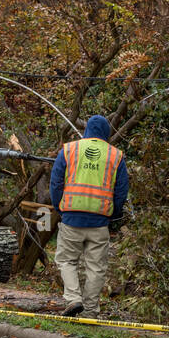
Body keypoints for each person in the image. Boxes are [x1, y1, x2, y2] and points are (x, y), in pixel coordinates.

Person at [50, 114, 129, 318]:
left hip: (71, 219)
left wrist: (61, 208)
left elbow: (56, 182)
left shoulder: (69, 149)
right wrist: (113, 215)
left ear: (86, 131)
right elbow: (121, 191)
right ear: (106, 133)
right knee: (96, 268)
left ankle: (73, 299)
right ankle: (91, 312)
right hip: (100, 222)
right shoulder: (116, 156)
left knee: (67, 261)